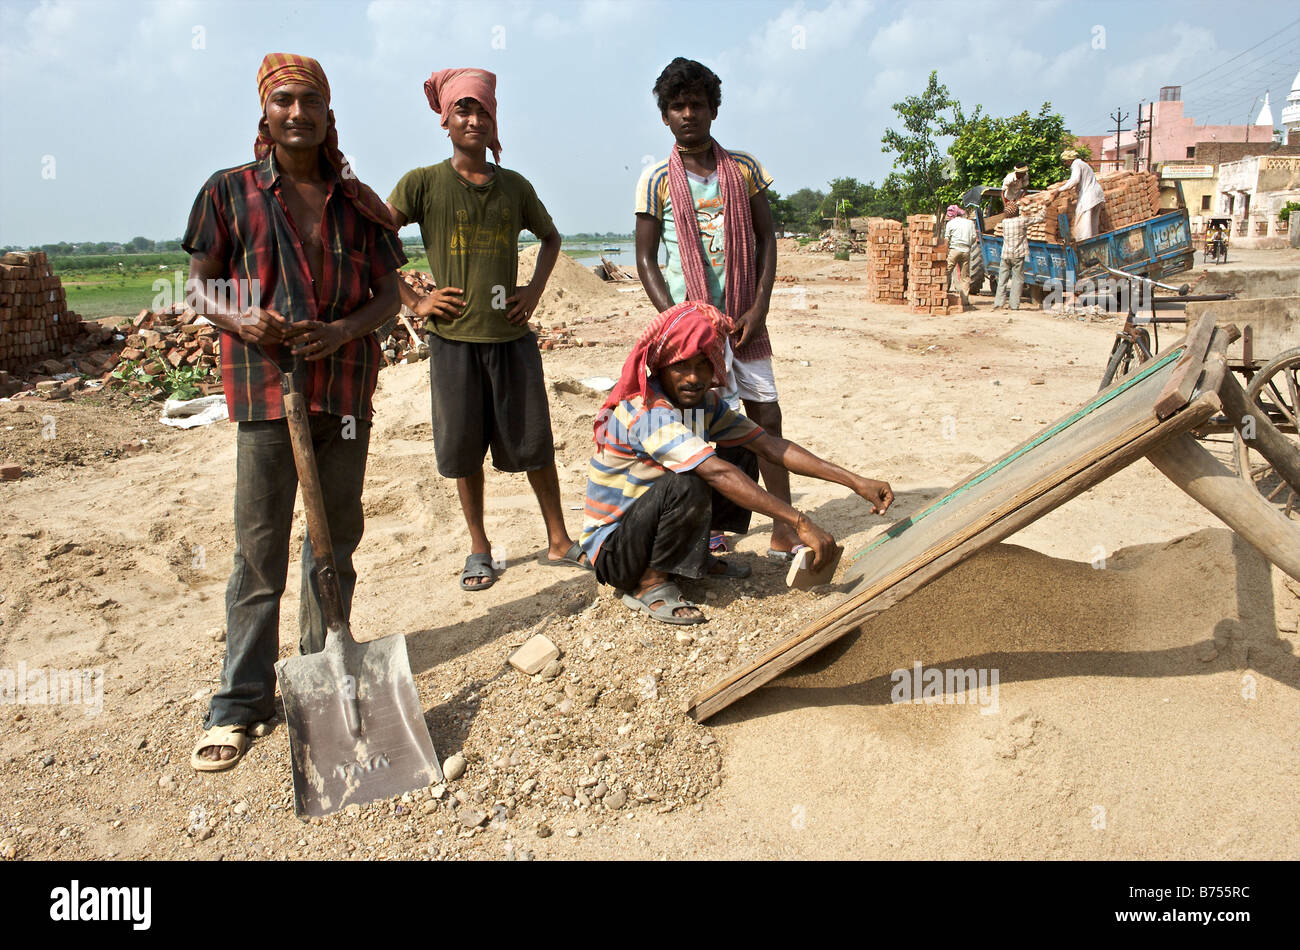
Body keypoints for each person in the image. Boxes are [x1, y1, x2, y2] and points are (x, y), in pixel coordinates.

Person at [184, 53, 405, 771]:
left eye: (310, 100)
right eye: (284, 101)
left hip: (343, 390)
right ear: (266, 112)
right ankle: (239, 703)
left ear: (327, 111)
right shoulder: (230, 192)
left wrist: (343, 330)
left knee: (334, 542)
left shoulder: (359, 202)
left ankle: (321, 677)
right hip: (264, 392)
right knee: (259, 550)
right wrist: (241, 319)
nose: (297, 113)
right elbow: (198, 288)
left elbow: (388, 295)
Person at [386, 67, 585, 591]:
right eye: (463, 110)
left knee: (535, 441)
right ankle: (480, 547)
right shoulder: (422, 183)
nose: (473, 119)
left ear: (494, 119)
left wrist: (534, 292)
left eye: (482, 110)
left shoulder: (514, 187)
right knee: (463, 449)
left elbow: (551, 236)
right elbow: (373, 240)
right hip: (453, 342)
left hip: (510, 339)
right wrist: (415, 299)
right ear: (446, 120)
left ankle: (559, 539)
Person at [579, 301, 894, 625]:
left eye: (703, 365)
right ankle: (649, 584)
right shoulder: (647, 411)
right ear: (660, 365)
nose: (694, 378)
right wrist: (800, 522)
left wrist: (856, 482)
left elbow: (770, 446)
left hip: (647, 528)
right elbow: (715, 472)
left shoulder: (704, 404)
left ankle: (696, 558)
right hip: (615, 552)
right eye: (681, 366)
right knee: (695, 476)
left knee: (740, 449)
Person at [633, 58, 801, 561]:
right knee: (696, 428)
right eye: (677, 106)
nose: (688, 114)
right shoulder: (657, 178)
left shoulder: (744, 170)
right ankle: (705, 528)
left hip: (747, 325)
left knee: (765, 418)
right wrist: (681, 321)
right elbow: (646, 258)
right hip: (691, 336)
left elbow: (767, 239)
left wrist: (760, 308)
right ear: (665, 116)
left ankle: (784, 527)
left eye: (697, 105)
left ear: (713, 110)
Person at [990, 199, 1043, 311]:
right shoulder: (1021, 221)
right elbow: (1039, 219)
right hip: (1018, 255)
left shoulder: (1004, 223)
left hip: (1005, 255)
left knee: (1002, 280)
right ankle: (1014, 305)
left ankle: (999, 304)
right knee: (1017, 280)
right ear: (1017, 212)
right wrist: (1043, 207)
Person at [1051, 149, 1105, 240]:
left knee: (1084, 222)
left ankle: (1084, 242)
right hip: (1097, 195)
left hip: (1089, 196)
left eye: (1065, 161)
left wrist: (1059, 190)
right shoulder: (1083, 164)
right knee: (1093, 223)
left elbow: (1075, 180)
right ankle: (1094, 241)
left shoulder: (1076, 164)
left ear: (1069, 160)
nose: (1065, 164)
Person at [943, 205, 976, 309]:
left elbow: (946, 239)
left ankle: (942, 295)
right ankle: (965, 300)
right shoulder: (970, 223)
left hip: (954, 250)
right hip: (966, 250)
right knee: (965, 277)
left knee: (946, 272)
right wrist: (968, 245)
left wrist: (945, 251)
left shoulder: (950, 223)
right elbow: (974, 237)